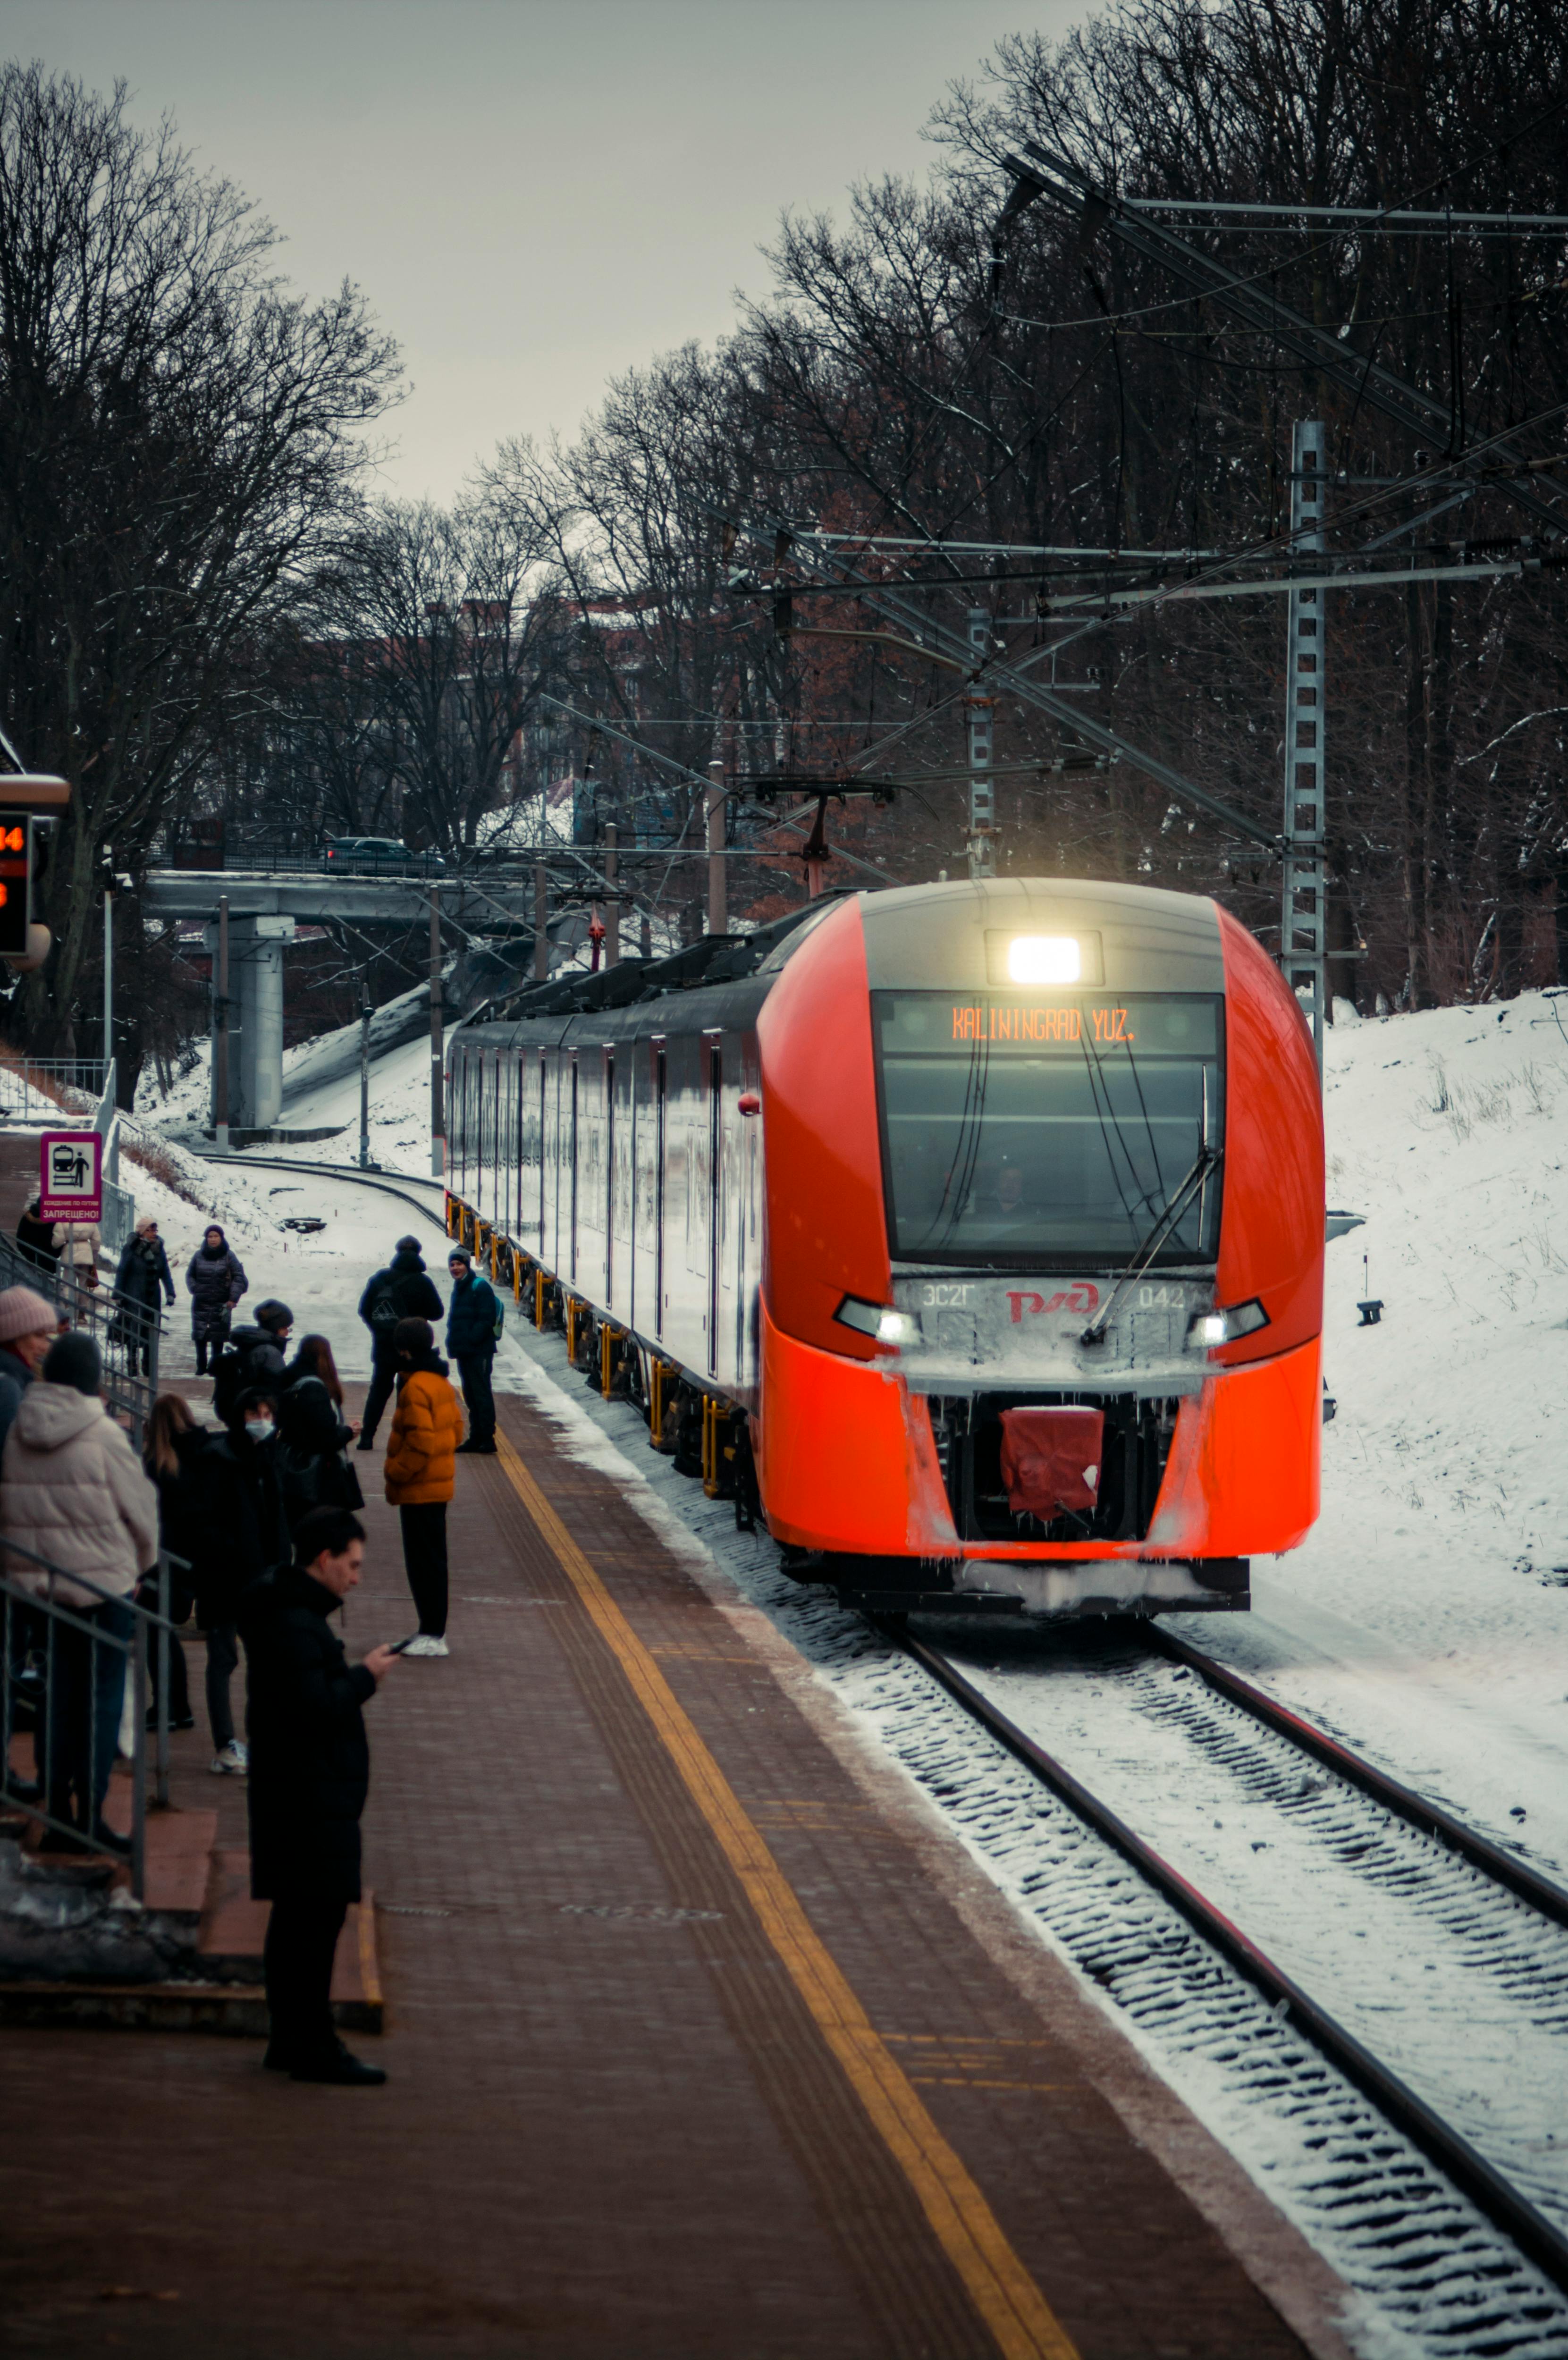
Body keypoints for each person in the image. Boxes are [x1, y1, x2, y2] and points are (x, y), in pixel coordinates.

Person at [241, 1504, 397, 2084]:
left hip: (299, 1789)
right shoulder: (294, 1622)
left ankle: (291, 2037)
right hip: (308, 1793)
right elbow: (312, 1706)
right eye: (352, 1565)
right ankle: (311, 2042)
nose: (356, 1577)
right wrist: (365, 1676)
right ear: (324, 1559)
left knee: (298, 1920)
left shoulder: (288, 1610)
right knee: (314, 1921)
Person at [0, 1332, 159, 1855]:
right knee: (100, 1700)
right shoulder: (102, 1432)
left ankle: (59, 1806)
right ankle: (88, 1812)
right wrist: (138, 1567)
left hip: (39, 1592)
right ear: (92, 1377)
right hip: (101, 1591)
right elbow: (142, 1513)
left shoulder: (21, 1426)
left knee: (57, 1697)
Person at [186, 1384, 290, 1775]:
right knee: (224, 1658)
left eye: (267, 1413)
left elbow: (275, 1519)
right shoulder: (219, 1459)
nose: (262, 1421)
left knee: (264, 1659)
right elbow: (207, 1523)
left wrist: (281, 1567)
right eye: (253, 1414)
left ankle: (257, 1738)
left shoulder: (268, 1456)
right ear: (238, 1417)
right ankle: (226, 1744)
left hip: (264, 1578)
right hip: (227, 1579)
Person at [383, 1317, 463, 1658]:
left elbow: (420, 1443)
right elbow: (457, 1431)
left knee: (422, 1564)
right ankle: (432, 1630)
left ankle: (432, 1633)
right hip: (439, 1487)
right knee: (434, 1561)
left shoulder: (415, 1387)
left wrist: (396, 1472)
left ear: (404, 1349)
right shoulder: (441, 1383)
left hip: (419, 1488)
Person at [140, 1393, 210, 1734]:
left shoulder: (157, 1466)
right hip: (190, 1559)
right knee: (165, 1633)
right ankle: (176, 1706)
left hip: (161, 1559)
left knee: (157, 1633)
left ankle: (170, 1706)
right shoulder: (202, 1454)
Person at [356, 1238, 443, 1451]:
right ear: (419, 1254)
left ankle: (367, 1438)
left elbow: (364, 1309)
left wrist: (380, 1329)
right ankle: (402, 1438)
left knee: (378, 1391)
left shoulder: (380, 1279)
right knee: (407, 1395)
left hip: (384, 1346)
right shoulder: (423, 1282)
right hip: (412, 1350)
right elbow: (437, 1313)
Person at [278, 1334, 364, 1517]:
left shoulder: (290, 1380)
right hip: (318, 1474)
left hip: (292, 1463)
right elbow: (326, 1438)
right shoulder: (314, 1388)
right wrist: (349, 1431)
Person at [445, 1246, 499, 1455]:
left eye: (459, 1264)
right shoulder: (459, 1287)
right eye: (452, 1264)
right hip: (465, 1351)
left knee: (481, 1394)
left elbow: (486, 1319)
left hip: (479, 1351)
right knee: (470, 1395)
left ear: (467, 1265)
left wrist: (471, 1340)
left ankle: (487, 1439)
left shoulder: (480, 1287)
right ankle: (476, 1437)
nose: (455, 1268)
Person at [110, 1216, 177, 1376]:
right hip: (134, 1295)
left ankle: (148, 1364)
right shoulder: (130, 1248)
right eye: (150, 1230)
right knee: (134, 1329)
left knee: (152, 1330)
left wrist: (170, 1292)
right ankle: (132, 1363)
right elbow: (122, 1271)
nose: (154, 1233)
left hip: (153, 1297)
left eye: (155, 1230)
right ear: (142, 1231)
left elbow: (165, 1272)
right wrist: (118, 1294)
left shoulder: (159, 1248)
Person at [0, 1284, 59, 1455]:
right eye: (39, 1336)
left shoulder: (16, 1380)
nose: (45, 1347)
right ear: (13, 1337)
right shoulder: (7, 1388)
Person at [213, 1299, 293, 1418]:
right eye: (285, 1328)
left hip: (238, 1408)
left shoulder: (250, 1342)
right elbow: (280, 1389)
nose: (287, 1333)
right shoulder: (269, 1352)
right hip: (258, 1414)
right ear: (275, 1328)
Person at [185, 1224, 247, 1377]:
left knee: (218, 1337)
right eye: (210, 1237)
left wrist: (233, 1298)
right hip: (201, 1302)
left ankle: (215, 1366)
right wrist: (195, 1289)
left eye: (216, 1236)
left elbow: (238, 1277)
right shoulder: (198, 1256)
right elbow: (190, 1275)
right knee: (200, 1335)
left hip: (222, 1303)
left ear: (222, 1238)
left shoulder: (229, 1256)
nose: (213, 1240)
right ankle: (201, 1366)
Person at [52, 1214, 103, 1306]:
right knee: (83, 1284)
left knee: (68, 1282)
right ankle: (82, 1312)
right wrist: (93, 1254)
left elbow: (58, 1240)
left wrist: (55, 1246)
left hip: (69, 1253)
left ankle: (69, 1304)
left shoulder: (63, 1218)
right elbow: (97, 1240)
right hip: (86, 1254)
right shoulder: (89, 1218)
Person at [16, 1196, 60, 1275]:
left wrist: (26, 1253)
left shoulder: (26, 1217)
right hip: (49, 1259)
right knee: (47, 1284)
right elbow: (57, 1239)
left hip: (30, 1257)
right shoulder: (53, 1219)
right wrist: (57, 1253)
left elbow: (20, 1237)